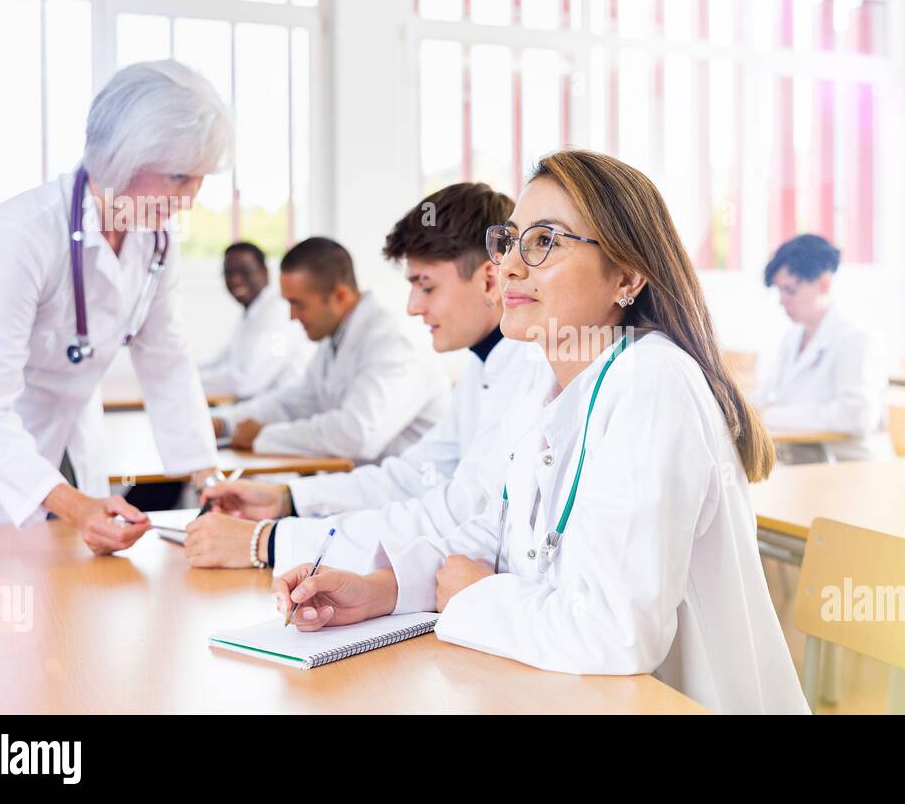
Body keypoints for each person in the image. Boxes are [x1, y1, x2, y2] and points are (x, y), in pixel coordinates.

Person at [271, 150, 809, 714]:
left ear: (626, 276)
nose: (508, 267)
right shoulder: (542, 387)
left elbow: (614, 633)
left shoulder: (653, 382)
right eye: (509, 241)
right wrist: (382, 591)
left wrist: (474, 597)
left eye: (544, 242)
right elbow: (494, 539)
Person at [0, 60, 227, 552]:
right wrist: (75, 507)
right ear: (125, 158)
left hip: (71, 439)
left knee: (68, 608)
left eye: (200, 179)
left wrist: (208, 478)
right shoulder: (15, 238)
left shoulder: (156, 238)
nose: (190, 198)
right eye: (179, 177)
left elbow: (165, 355)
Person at [184, 183, 545, 569]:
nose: (412, 307)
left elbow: (453, 514)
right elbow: (410, 477)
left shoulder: (529, 374)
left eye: (426, 287)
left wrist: (270, 541)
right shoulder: (483, 365)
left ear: (489, 280)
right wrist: (287, 498)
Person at [209, 236, 449, 463]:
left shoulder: (394, 342)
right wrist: (225, 422)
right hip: (366, 487)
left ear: (340, 296)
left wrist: (265, 436)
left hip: (408, 495)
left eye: (298, 305)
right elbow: (291, 403)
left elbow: (357, 435)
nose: (292, 317)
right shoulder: (334, 340)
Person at [755, 233, 892, 462]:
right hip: (801, 463)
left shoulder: (856, 340)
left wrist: (771, 415)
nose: (782, 301)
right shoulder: (791, 339)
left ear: (823, 283)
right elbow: (768, 397)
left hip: (850, 469)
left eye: (789, 290)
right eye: (779, 291)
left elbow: (856, 417)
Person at [197, 241, 312, 400]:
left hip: (280, 410)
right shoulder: (254, 312)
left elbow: (244, 380)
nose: (235, 280)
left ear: (265, 272)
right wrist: (181, 371)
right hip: (258, 407)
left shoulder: (278, 312)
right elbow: (221, 360)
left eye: (245, 271)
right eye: (228, 273)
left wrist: (184, 380)